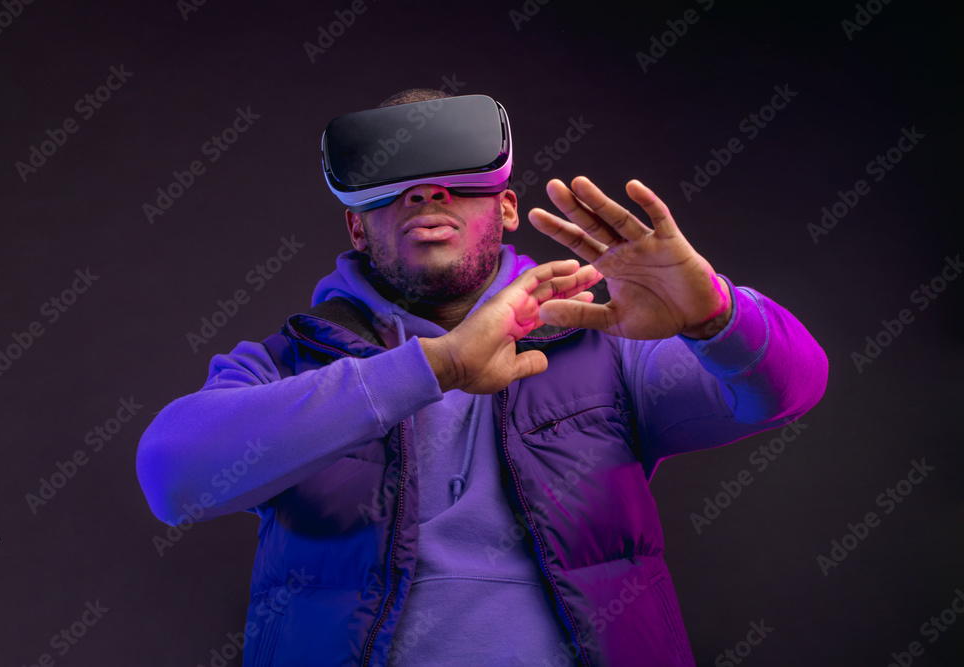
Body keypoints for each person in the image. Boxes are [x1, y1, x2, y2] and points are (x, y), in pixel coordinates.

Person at [136, 88, 828, 667]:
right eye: (393, 186)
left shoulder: (603, 341)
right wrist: (435, 366)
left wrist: (715, 313)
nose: (426, 191)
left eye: (455, 179)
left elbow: (788, 390)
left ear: (503, 207)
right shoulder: (290, 362)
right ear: (357, 228)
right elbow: (174, 477)